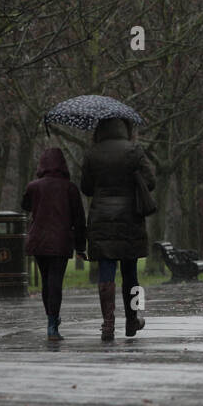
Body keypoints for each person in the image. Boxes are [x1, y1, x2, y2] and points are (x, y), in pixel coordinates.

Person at [81, 117, 155, 341]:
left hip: (102, 219)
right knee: (130, 273)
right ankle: (132, 320)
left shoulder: (92, 153)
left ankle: (108, 324)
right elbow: (150, 182)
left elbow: (86, 188)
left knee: (106, 272)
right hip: (129, 219)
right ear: (125, 128)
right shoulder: (134, 151)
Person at [22, 148, 86, 342]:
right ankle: (52, 324)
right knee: (55, 281)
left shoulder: (34, 186)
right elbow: (79, 219)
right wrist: (81, 246)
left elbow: (24, 205)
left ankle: (51, 320)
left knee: (46, 280)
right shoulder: (70, 188)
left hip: (39, 240)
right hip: (60, 241)